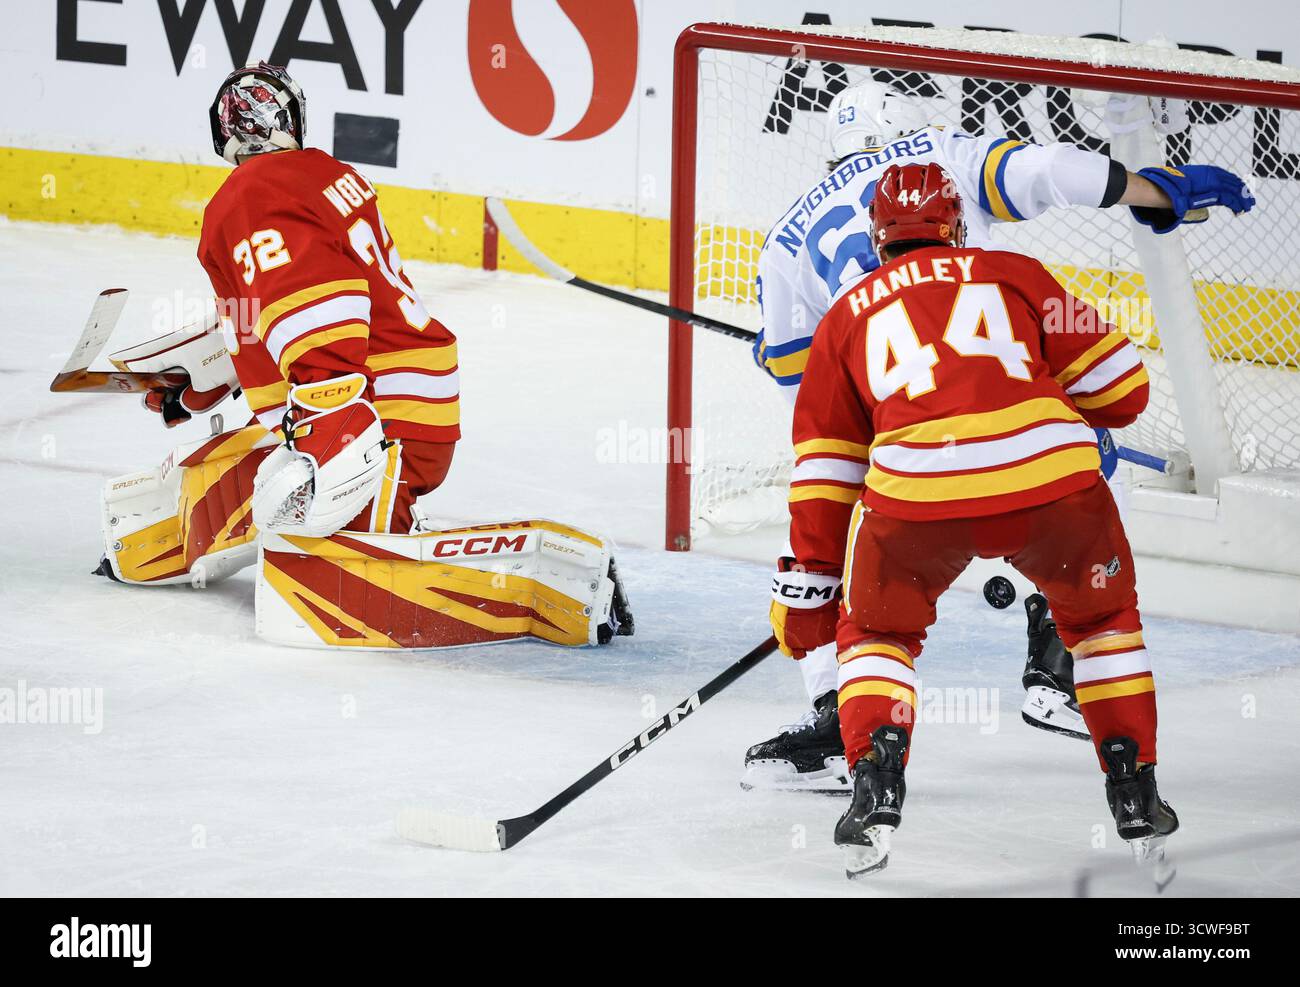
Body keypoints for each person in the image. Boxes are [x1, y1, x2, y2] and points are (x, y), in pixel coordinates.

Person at [744, 79, 1255, 791]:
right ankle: (1059, 666)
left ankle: (841, 720)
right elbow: (1052, 170)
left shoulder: (785, 237)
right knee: (1086, 469)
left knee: (832, 570)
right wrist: (1153, 190)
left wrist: (769, 353)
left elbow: (801, 381)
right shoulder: (941, 156)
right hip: (1009, 402)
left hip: (894, 443)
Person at [93, 62, 631, 651]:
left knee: (312, 588)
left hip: (372, 414)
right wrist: (197, 377)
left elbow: (316, 304)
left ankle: (549, 587)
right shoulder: (321, 176)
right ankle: (154, 533)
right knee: (240, 485)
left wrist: (334, 419)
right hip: (390, 398)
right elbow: (272, 310)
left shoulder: (250, 193)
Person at [770, 161, 1178, 877]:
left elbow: (827, 472)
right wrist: (1057, 392)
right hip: (1053, 487)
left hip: (917, 501)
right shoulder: (1012, 271)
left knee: (877, 631)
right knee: (1101, 622)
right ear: (956, 228)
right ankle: (1133, 785)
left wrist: (809, 585)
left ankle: (877, 779)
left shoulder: (846, 315)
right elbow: (1126, 388)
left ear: (877, 239)